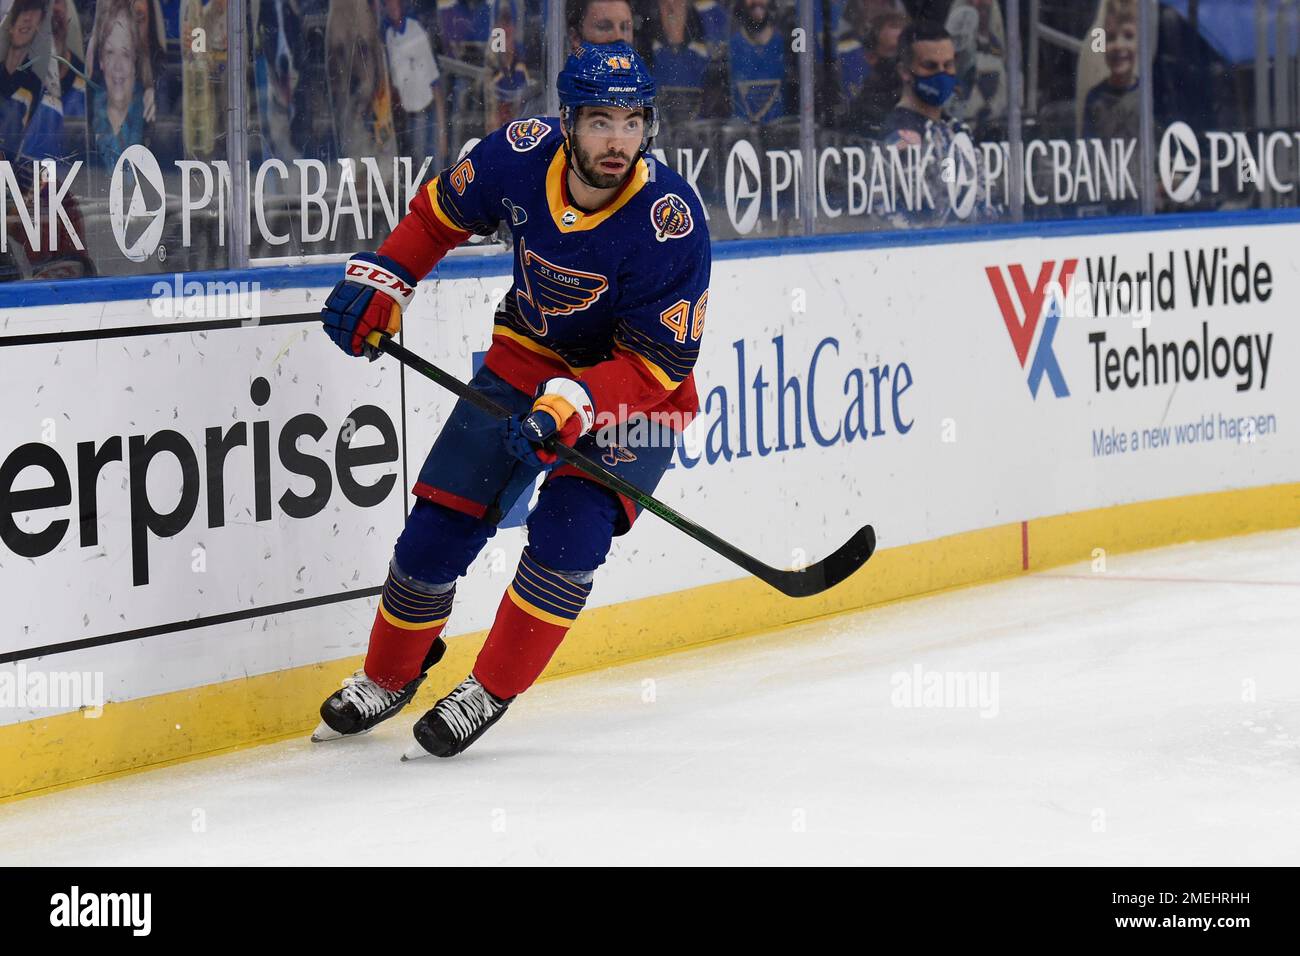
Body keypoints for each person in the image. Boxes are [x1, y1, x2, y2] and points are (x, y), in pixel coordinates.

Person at [315, 41, 711, 759]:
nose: (616, 141)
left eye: (631, 123)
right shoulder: (519, 155)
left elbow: (657, 364)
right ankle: (388, 674)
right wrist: (383, 281)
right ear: (566, 121)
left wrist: (573, 403)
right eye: (599, 122)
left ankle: (489, 688)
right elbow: (439, 215)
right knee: (437, 526)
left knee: (568, 536)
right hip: (525, 360)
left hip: (635, 398)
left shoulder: (671, 221)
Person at [1081, 0, 1138, 141]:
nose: (1118, 45)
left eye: (1128, 36)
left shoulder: (1148, 95)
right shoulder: (1095, 98)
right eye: (1111, 37)